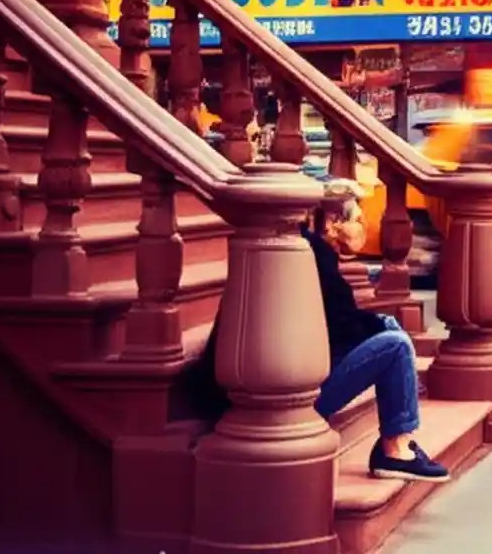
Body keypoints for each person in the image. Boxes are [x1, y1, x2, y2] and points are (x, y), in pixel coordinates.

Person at [183, 204, 450, 482]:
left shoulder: (271, 247)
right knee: (395, 344)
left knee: (387, 330)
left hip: (252, 391)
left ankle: (402, 429)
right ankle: (395, 449)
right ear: (333, 222)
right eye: (357, 219)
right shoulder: (308, 254)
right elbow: (340, 323)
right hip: (280, 403)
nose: (364, 229)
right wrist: (377, 325)